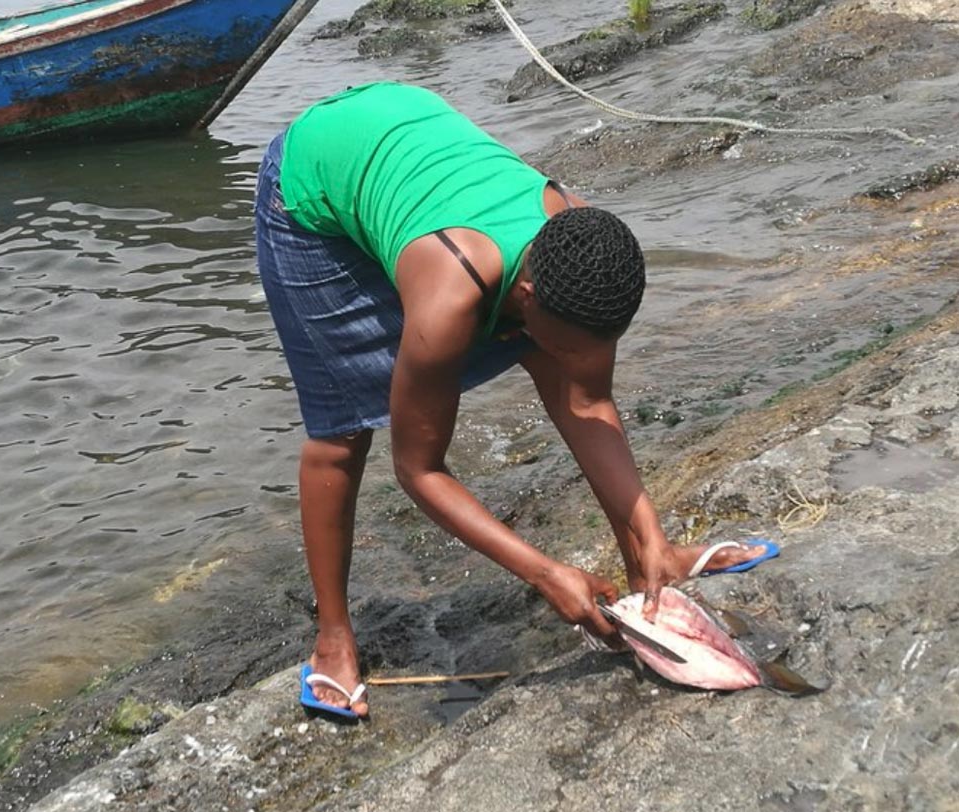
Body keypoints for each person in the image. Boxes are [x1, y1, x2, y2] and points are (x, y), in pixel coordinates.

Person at [254, 82, 766, 718]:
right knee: (343, 431)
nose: (584, 358)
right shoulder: (450, 297)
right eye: (571, 344)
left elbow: (589, 405)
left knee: (560, 367)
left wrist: (649, 532)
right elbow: (419, 470)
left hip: (412, 146)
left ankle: (647, 569)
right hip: (314, 181)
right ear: (525, 296)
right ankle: (333, 639)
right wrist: (545, 573)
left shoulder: (586, 256)